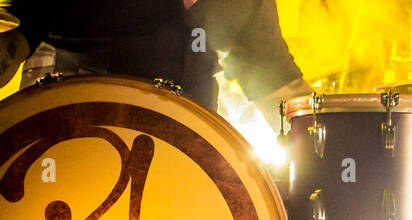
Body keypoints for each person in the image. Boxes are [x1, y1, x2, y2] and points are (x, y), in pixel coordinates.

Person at [0, 0, 308, 124]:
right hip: (70, 145)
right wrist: (17, 41)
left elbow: (279, 90)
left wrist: (334, 134)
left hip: (187, 163)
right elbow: (22, 23)